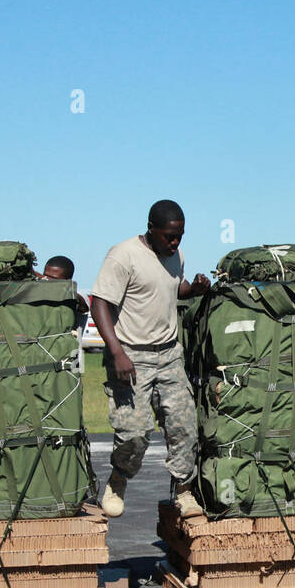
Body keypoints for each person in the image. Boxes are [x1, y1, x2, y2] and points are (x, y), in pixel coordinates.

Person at [90, 200, 209, 519]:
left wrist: (193, 290)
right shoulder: (123, 255)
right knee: (135, 432)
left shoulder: (176, 256)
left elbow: (172, 288)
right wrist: (116, 352)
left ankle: (184, 491)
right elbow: (99, 303)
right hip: (130, 355)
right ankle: (118, 479)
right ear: (151, 229)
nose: (175, 242)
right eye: (170, 236)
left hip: (169, 354)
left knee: (183, 426)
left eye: (180, 236)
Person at [42, 255, 90, 371]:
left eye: (53, 279)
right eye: (45, 277)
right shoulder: (41, 293)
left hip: (68, 362)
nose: (47, 282)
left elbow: (83, 306)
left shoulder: (76, 295)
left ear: (68, 281)